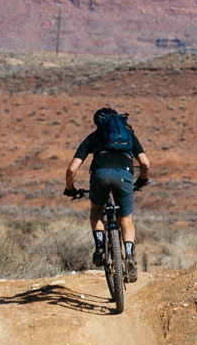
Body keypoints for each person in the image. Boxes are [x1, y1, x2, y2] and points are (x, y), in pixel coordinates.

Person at [64, 106, 151, 281]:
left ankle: (100, 249)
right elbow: (145, 163)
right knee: (126, 219)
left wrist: (70, 188)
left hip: (100, 175)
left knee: (97, 211)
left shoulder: (94, 137)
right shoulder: (128, 135)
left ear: (98, 123)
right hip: (124, 175)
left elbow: (72, 168)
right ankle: (129, 256)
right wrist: (142, 180)